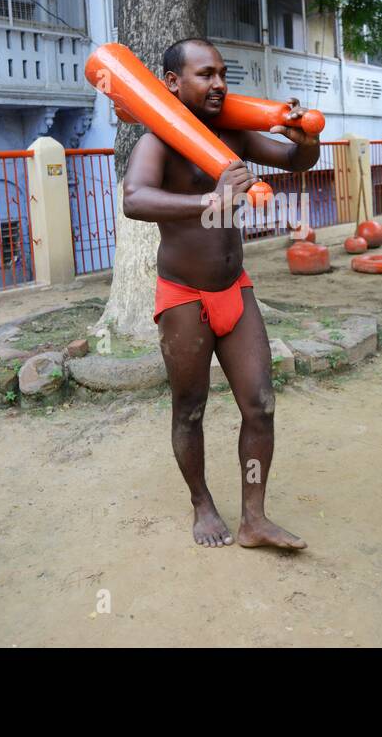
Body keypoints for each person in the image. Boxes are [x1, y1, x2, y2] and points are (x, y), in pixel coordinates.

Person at [121, 38, 320, 549]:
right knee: (189, 408)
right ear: (172, 82)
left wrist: (306, 137)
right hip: (185, 297)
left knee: (261, 404)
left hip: (236, 287)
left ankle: (254, 517)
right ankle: (201, 504)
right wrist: (214, 197)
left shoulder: (232, 134)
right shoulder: (157, 142)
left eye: (223, 74)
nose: (219, 84)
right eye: (205, 74)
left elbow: (296, 161)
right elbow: (135, 199)